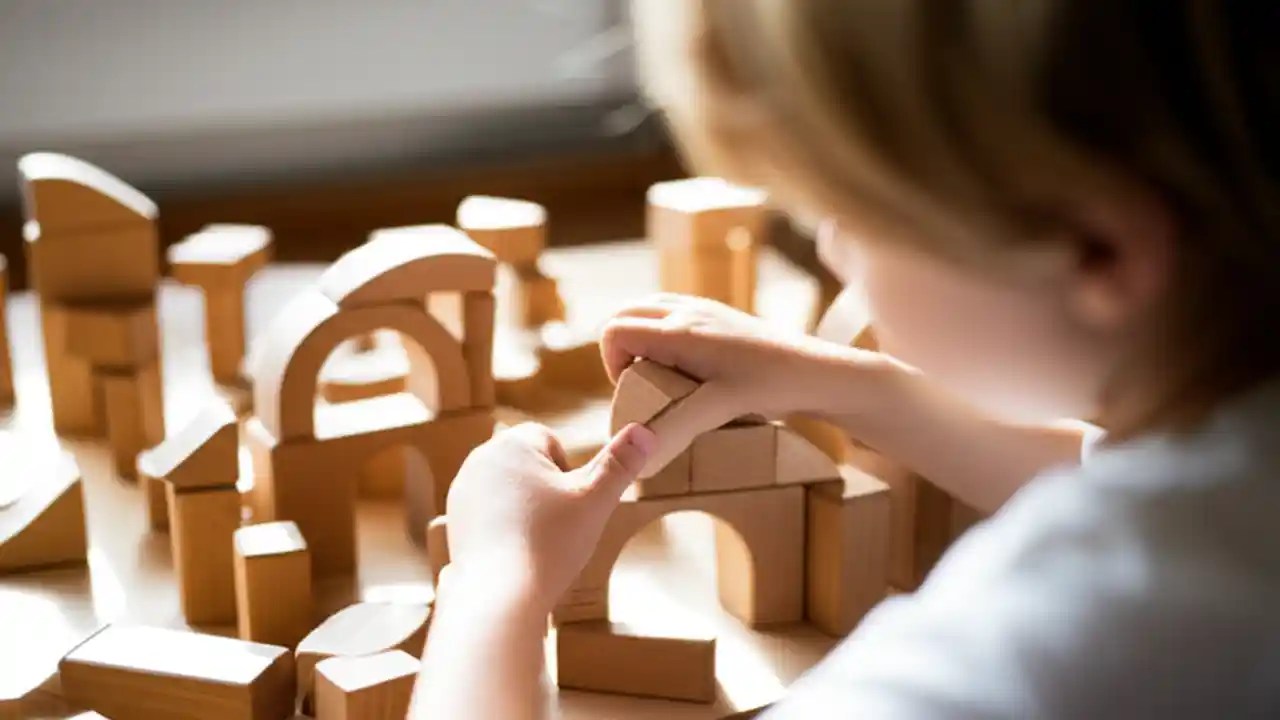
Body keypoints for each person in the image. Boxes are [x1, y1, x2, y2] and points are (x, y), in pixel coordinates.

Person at [414, 2, 1280, 717]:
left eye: (852, 211)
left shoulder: (1029, 651)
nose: (830, 250)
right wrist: (842, 385)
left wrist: (495, 587)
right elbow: (1136, 478)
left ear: (1098, 250)